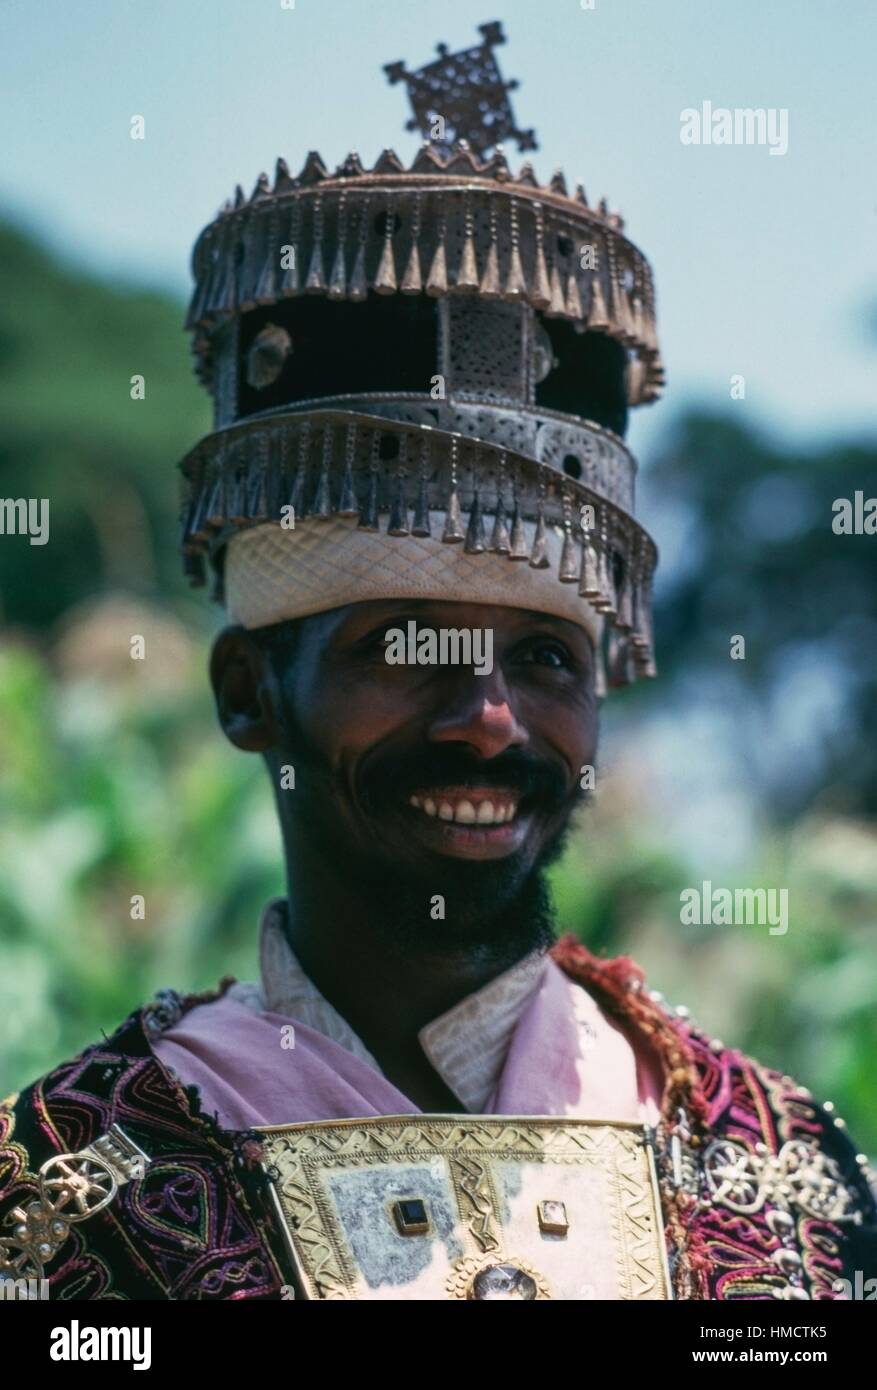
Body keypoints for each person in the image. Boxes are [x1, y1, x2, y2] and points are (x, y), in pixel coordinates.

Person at [2, 24, 874, 1302]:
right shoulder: (77, 1192)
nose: (487, 721)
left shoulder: (783, 1173)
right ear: (247, 694)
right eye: (405, 649)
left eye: (542, 655)